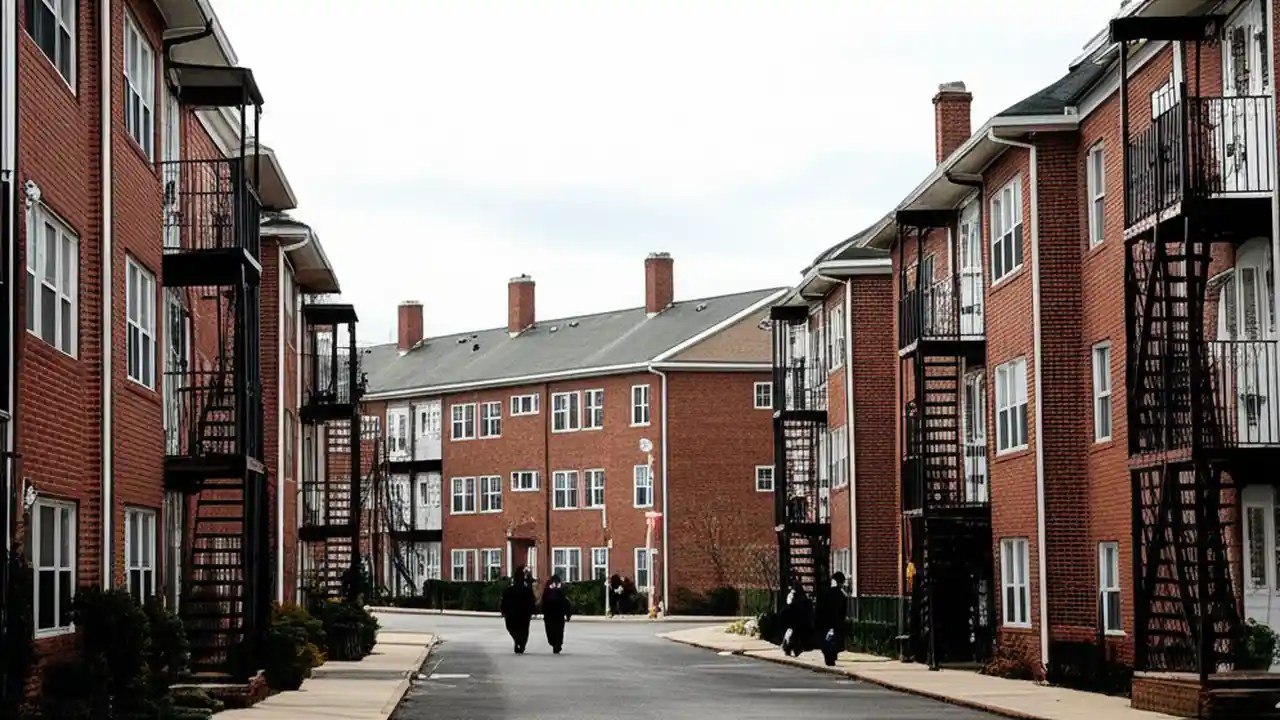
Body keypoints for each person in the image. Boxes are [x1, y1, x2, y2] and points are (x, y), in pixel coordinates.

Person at [816, 571, 849, 667]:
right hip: (836, 622)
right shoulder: (842, 595)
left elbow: (820, 608)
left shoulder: (826, 593)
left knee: (826, 640)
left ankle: (828, 656)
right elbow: (843, 610)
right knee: (836, 640)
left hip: (825, 621)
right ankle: (832, 656)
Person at [500, 566, 537, 654]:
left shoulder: (511, 589)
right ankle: (520, 643)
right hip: (521, 612)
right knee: (523, 629)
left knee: (514, 628)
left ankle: (518, 642)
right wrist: (533, 610)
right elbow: (532, 600)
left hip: (516, 613)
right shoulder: (525, 589)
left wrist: (503, 610)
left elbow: (504, 601)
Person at [540, 574, 574, 654]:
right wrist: (568, 614)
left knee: (551, 630)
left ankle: (555, 644)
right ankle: (557, 644)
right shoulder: (561, 589)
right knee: (559, 630)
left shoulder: (548, 590)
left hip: (550, 614)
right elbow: (566, 603)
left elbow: (544, 601)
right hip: (558, 614)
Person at [779, 579, 812, 658]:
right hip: (799, 618)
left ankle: (788, 647)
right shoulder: (802, 595)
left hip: (793, 618)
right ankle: (794, 649)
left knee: (791, 633)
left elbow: (789, 604)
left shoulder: (792, 595)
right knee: (795, 634)